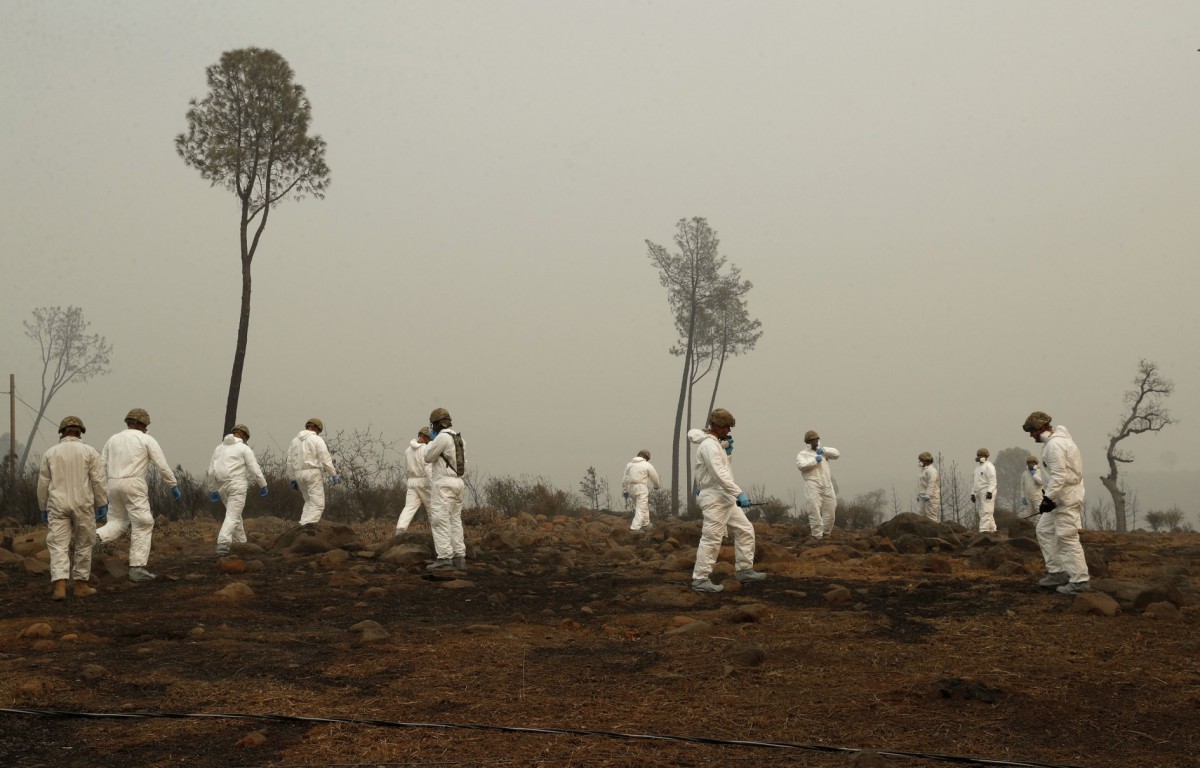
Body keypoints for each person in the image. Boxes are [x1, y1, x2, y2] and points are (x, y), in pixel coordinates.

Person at [96, 408, 180, 582]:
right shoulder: (146, 439)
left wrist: (100, 495)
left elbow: (100, 467)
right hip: (134, 484)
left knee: (117, 522)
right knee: (143, 523)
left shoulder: (112, 439)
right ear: (142, 424)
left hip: (112, 484)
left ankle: (91, 538)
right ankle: (137, 568)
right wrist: (173, 485)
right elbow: (161, 465)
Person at [688, 408, 764, 593]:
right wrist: (739, 493)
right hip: (715, 498)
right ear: (717, 426)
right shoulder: (709, 446)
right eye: (726, 427)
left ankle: (744, 570)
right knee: (712, 537)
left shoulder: (716, 445)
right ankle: (700, 579)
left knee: (745, 530)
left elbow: (722, 469)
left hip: (724, 497)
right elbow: (719, 474)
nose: (729, 431)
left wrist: (727, 452)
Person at [37, 416, 108, 600]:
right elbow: (98, 480)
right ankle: (80, 585)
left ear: (62, 432)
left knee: (58, 545)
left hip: (57, 505)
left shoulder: (50, 453)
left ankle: (60, 587)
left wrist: (42, 506)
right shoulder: (90, 452)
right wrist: (102, 503)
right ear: (80, 432)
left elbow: (43, 484)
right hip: (83, 504)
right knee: (84, 543)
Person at [1023, 411, 1089, 595]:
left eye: (1032, 431)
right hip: (1059, 497)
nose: (1031, 435)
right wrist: (1050, 498)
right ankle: (1057, 572)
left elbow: (1060, 475)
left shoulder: (1055, 446)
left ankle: (1079, 581)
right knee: (1044, 530)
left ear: (1040, 428)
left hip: (1064, 497)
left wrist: (1048, 498)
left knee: (1067, 537)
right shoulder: (1057, 443)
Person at [206, 424, 268, 557]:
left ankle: (241, 543)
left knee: (235, 515)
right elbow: (254, 469)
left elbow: (211, 471)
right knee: (232, 516)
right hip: (237, 486)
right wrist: (263, 484)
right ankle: (223, 543)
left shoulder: (219, 449)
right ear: (245, 436)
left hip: (222, 487)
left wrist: (212, 489)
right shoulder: (243, 449)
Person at [423, 407, 467, 570]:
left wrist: (432, 442)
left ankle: (444, 558)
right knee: (455, 520)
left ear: (436, 424)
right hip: (458, 482)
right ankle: (459, 557)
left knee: (440, 519)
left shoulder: (442, 438)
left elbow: (427, 457)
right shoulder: (459, 439)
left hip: (444, 483)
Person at [286, 418, 339, 525]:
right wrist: (333, 474)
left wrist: (292, 478)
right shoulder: (316, 439)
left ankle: (302, 524)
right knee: (318, 505)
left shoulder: (294, 441)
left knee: (309, 502)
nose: (319, 433)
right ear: (316, 428)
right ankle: (306, 528)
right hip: (312, 473)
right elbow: (325, 458)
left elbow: (289, 461)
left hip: (298, 474)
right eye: (319, 431)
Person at [796, 430, 840, 539]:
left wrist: (824, 450)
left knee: (831, 509)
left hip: (827, 484)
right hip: (813, 484)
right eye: (812, 440)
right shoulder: (803, 454)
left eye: (816, 439)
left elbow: (837, 454)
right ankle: (817, 535)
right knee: (814, 510)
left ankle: (826, 533)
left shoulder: (823, 451)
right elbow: (801, 466)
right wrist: (815, 460)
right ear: (807, 442)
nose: (815, 441)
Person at [394, 426, 433, 535]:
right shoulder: (426, 449)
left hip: (411, 482)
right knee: (432, 508)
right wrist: (434, 484)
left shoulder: (408, 450)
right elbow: (428, 468)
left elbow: (406, 468)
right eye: (429, 438)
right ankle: (438, 533)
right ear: (424, 437)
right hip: (424, 481)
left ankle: (400, 530)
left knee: (409, 508)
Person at [622, 449, 661, 532]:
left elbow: (625, 479)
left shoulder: (629, 465)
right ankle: (635, 528)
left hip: (630, 488)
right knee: (641, 508)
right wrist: (656, 485)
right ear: (647, 457)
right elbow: (654, 477)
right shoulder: (647, 465)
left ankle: (646, 523)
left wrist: (625, 491)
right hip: (641, 488)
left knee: (642, 506)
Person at [971, 448, 997, 533]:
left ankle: (983, 531)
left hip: (987, 492)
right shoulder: (977, 468)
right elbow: (975, 482)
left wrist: (990, 491)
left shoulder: (989, 466)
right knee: (986, 512)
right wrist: (973, 493)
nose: (979, 457)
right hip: (979, 493)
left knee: (986, 512)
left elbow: (992, 480)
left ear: (986, 456)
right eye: (978, 455)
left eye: (981, 455)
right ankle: (993, 530)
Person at [916, 451, 940, 522]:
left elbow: (931, 484)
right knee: (920, 514)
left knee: (931, 516)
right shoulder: (923, 471)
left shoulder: (932, 471)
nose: (920, 462)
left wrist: (928, 495)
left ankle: (934, 531)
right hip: (922, 496)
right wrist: (919, 495)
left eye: (921, 460)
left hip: (931, 497)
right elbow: (921, 484)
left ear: (926, 461)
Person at [1020, 454, 1044, 520]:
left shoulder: (1039, 471)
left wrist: (1034, 474)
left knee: (1040, 512)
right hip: (1028, 498)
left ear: (1035, 463)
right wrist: (1023, 496)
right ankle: (1031, 529)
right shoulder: (1025, 473)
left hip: (1037, 496)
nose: (1030, 464)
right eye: (1028, 463)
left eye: (1032, 462)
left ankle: (1039, 527)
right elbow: (1022, 486)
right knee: (1029, 515)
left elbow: (1041, 482)